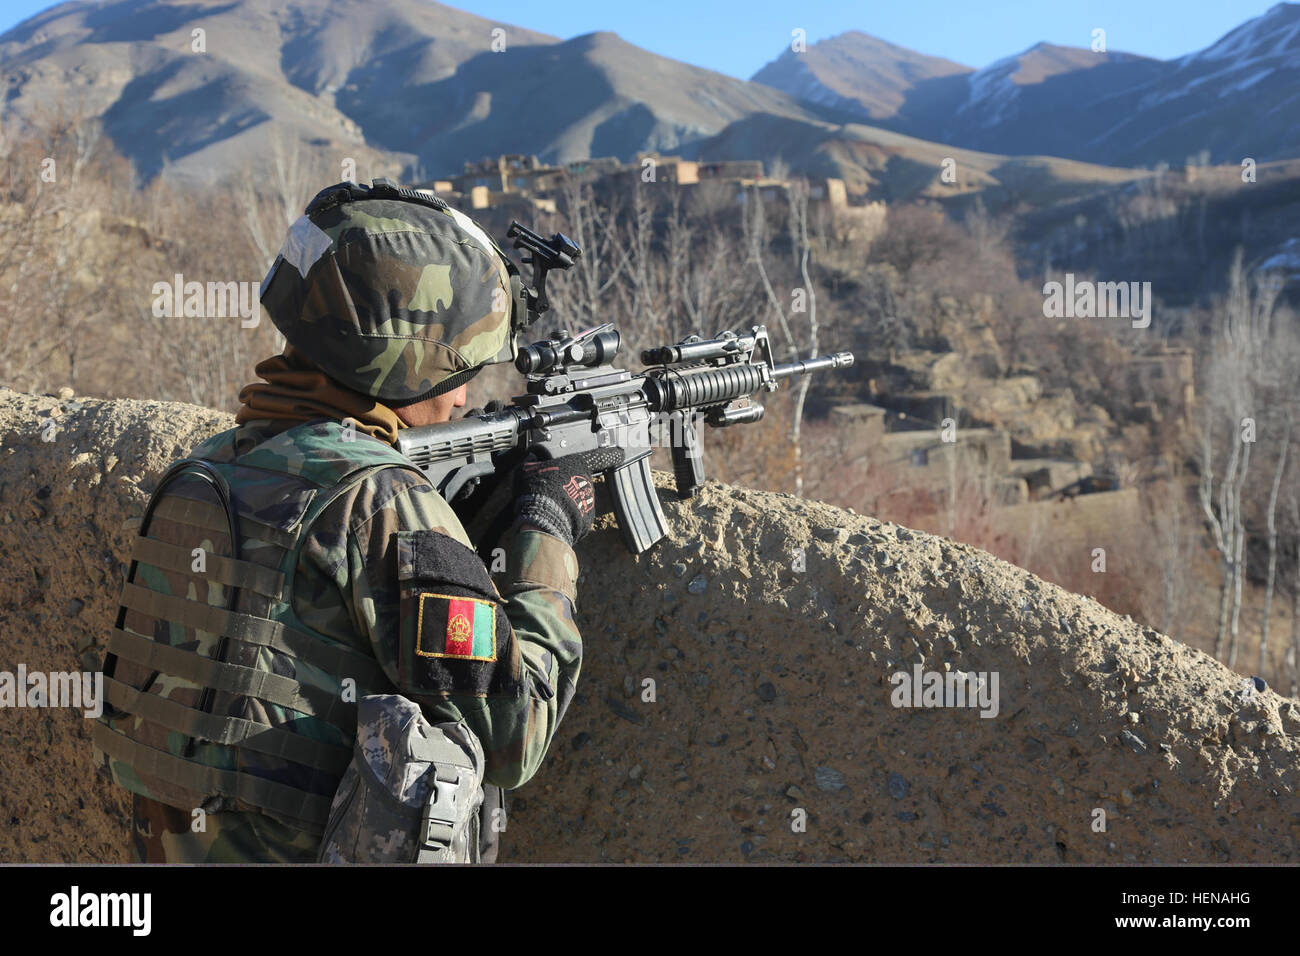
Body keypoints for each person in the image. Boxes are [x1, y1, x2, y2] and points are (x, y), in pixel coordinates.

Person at [92, 180, 608, 862]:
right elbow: (516, 730)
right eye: (453, 366)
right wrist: (548, 522)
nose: (460, 397)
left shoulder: (215, 466)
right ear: (396, 360)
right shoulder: (380, 501)